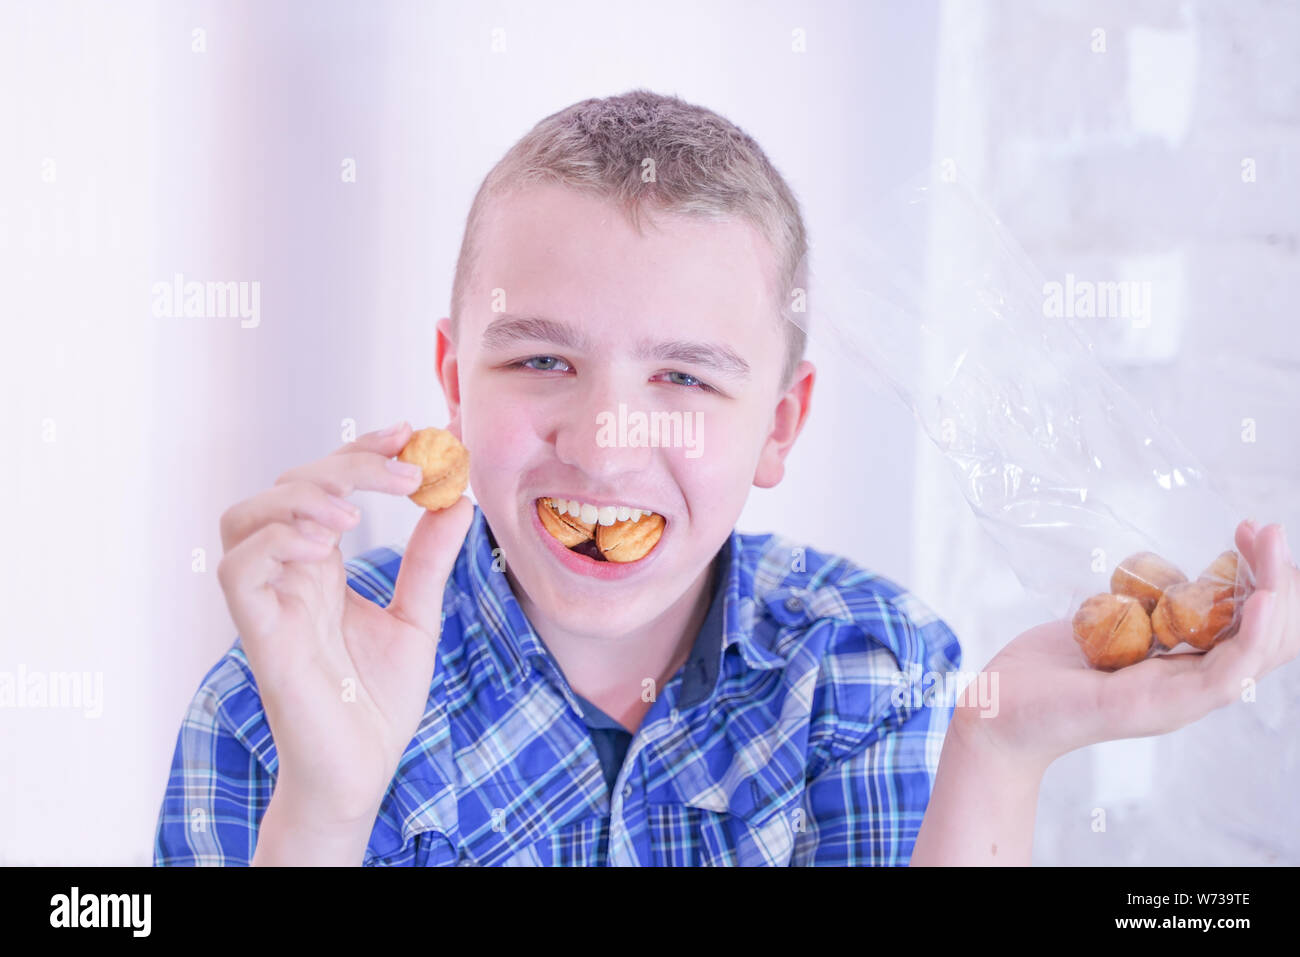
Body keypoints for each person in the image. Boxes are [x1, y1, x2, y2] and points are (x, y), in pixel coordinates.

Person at [153, 89, 1299, 866]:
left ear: (779, 427)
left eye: (687, 381)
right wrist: (328, 802)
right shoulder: (275, 695)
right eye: (541, 359)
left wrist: (999, 756)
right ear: (456, 382)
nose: (604, 445)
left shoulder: (871, 674)